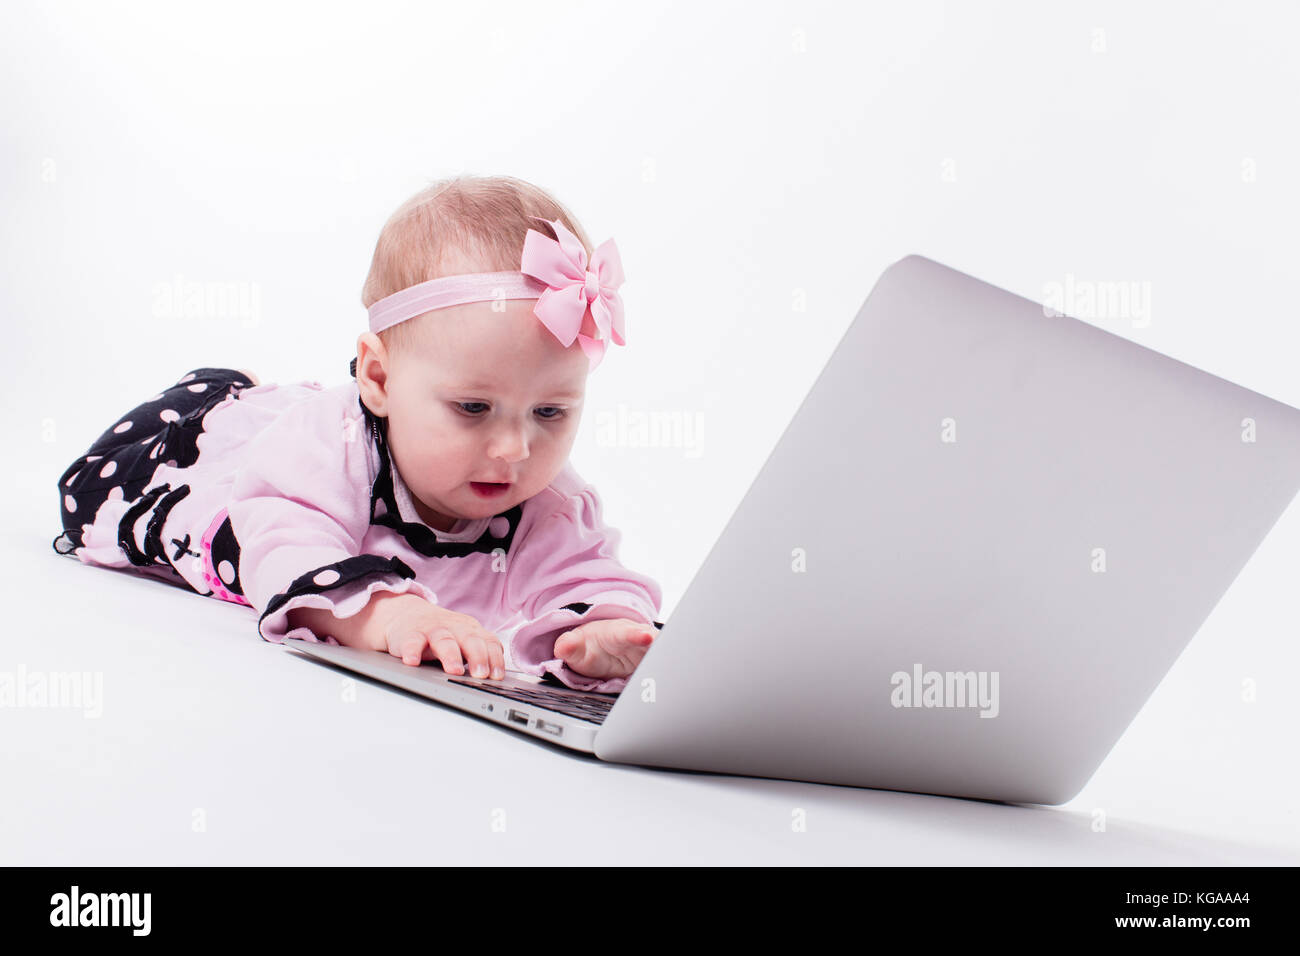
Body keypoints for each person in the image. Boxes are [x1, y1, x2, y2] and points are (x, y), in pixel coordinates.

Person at [52, 174, 664, 693]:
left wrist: (600, 629)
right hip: (211, 456)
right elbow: (292, 542)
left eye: (550, 413)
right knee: (126, 471)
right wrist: (385, 614)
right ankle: (225, 388)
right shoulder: (324, 453)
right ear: (378, 376)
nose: (515, 449)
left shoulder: (545, 497)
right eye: (474, 407)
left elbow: (584, 571)